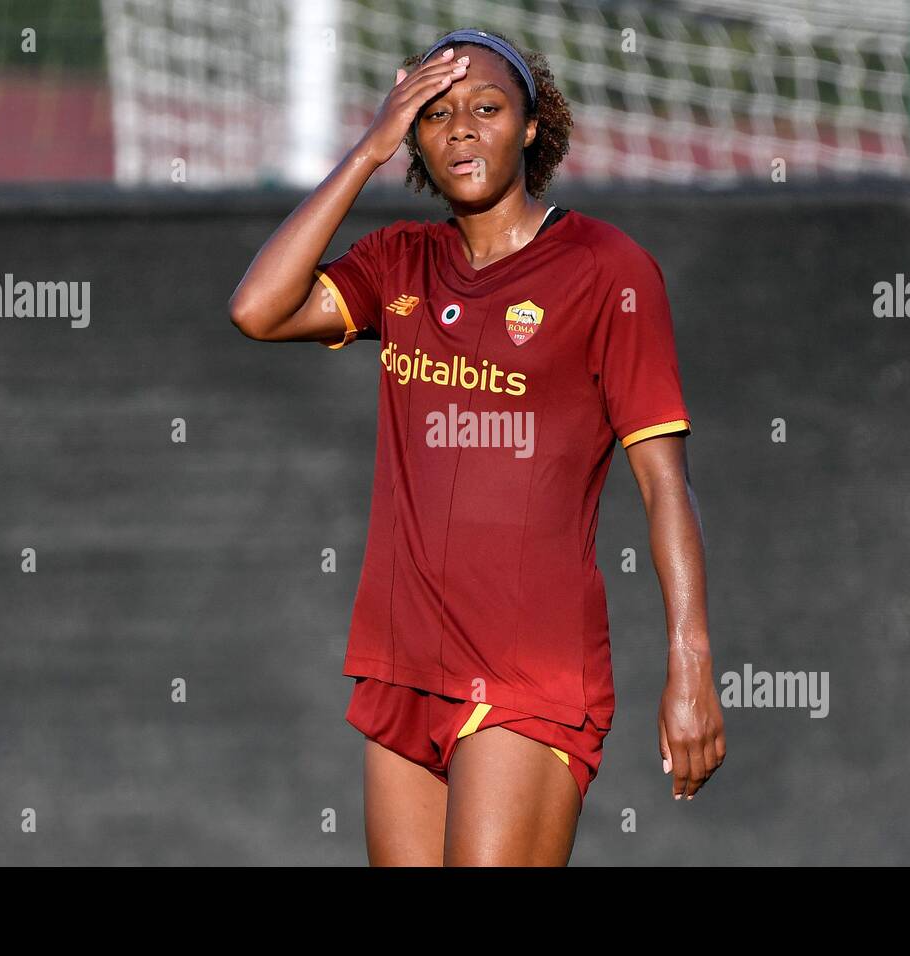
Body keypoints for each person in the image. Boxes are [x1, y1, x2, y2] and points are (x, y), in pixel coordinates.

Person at [229, 28, 724, 866]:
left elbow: (664, 484)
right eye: (436, 114)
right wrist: (367, 147)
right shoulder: (398, 261)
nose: (460, 129)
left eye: (487, 108)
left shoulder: (609, 269)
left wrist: (692, 666)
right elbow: (257, 309)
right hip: (405, 657)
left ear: (532, 127)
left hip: (529, 670)